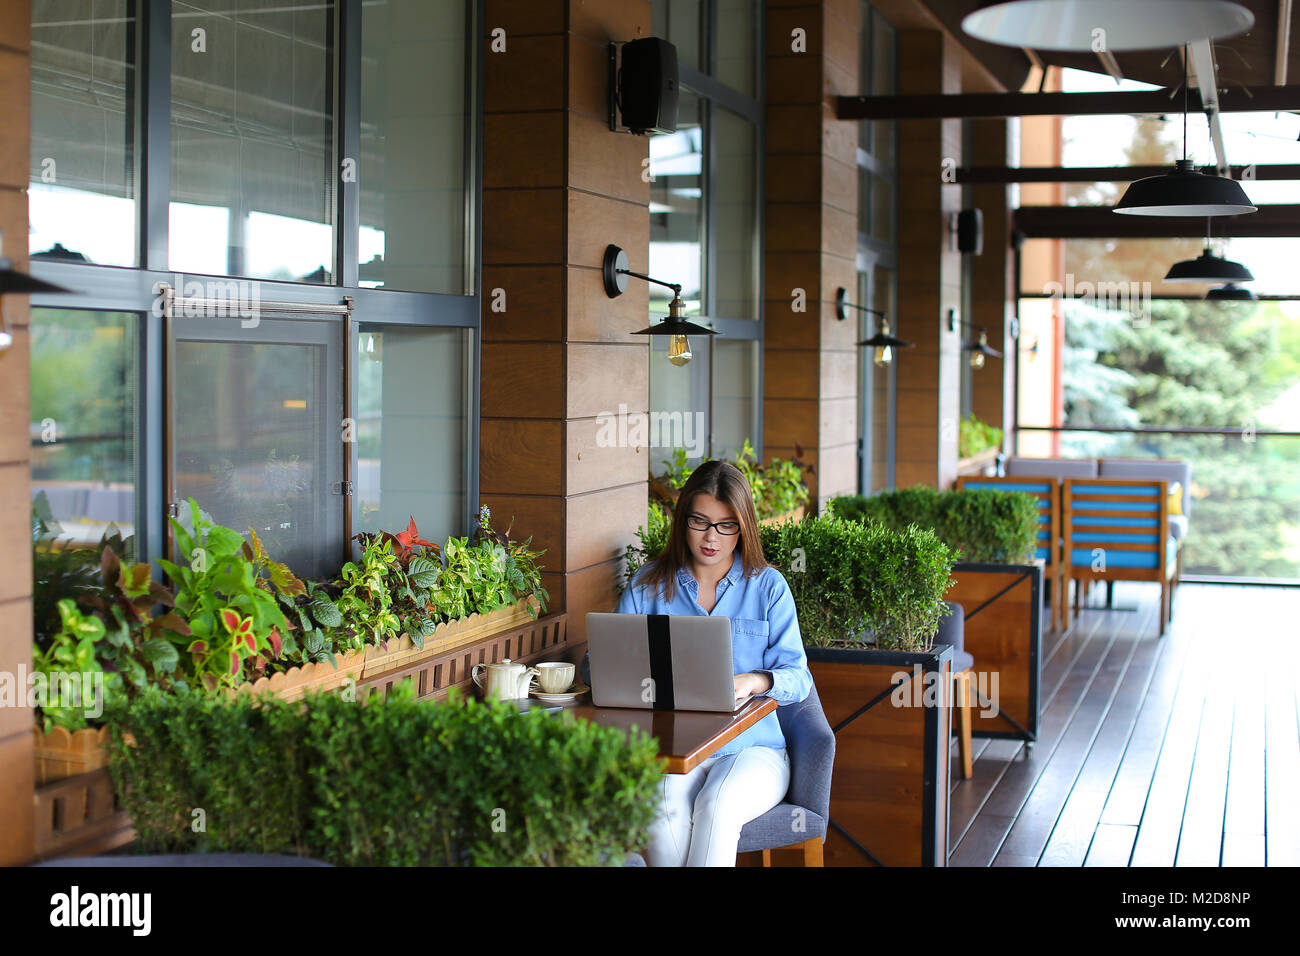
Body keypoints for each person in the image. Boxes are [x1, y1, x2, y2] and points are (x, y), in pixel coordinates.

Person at [591, 459, 812, 867]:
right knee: (660, 814)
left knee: (717, 805)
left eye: (726, 525)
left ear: (743, 526)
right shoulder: (647, 585)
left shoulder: (767, 587)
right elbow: (602, 666)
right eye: (700, 522)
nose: (712, 538)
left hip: (754, 750)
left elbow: (799, 679)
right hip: (673, 754)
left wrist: (753, 680)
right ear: (682, 521)